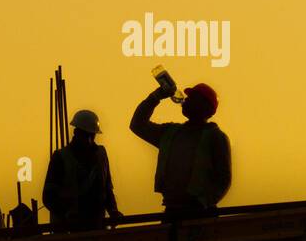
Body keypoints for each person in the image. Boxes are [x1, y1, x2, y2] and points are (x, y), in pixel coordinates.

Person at [130, 81, 231, 224]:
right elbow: (137, 125)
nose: (186, 100)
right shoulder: (170, 133)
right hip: (172, 212)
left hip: (200, 216)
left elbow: (224, 179)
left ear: (204, 106)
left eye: (192, 97)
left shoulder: (215, 138)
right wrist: (156, 96)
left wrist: (204, 203)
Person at [42, 110, 122, 233]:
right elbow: (48, 197)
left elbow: (107, 189)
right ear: (76, 132)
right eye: (86, 135)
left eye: (92, 135)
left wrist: (113, 210)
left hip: (97, 227)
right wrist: (66, 213)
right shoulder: (60, 158)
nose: (89, 139)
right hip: (68, 233)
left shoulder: (100, 155)